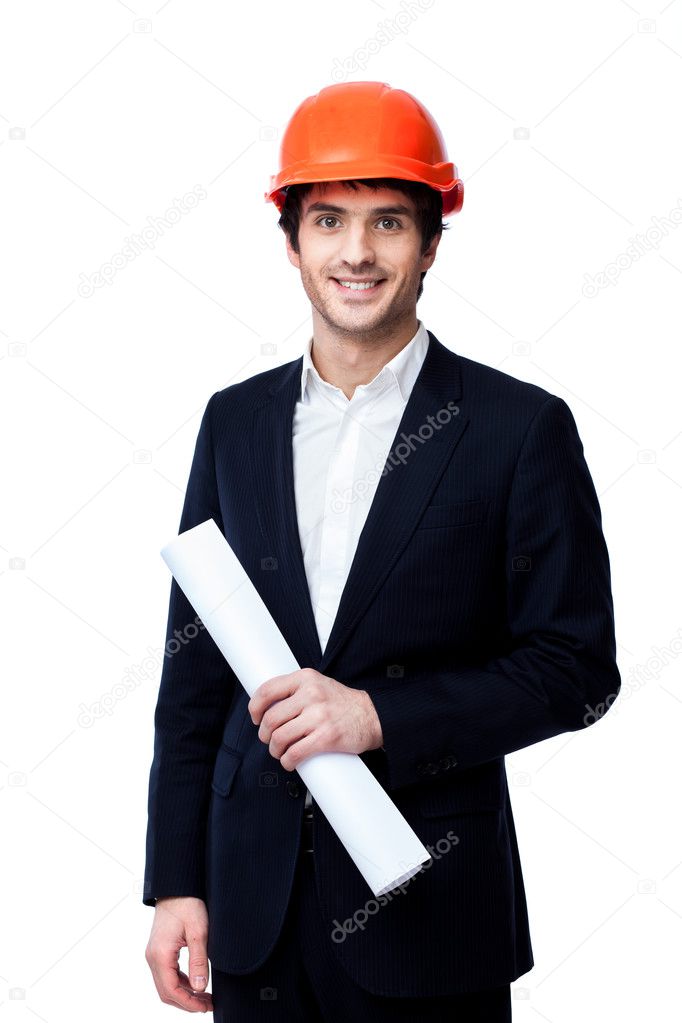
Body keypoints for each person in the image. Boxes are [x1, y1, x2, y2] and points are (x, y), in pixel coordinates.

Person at [143, 81, 620, 1022]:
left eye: (388, 222)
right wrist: (175, 880)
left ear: (431, 243)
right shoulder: (234, 422)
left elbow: (577, 670)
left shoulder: (516, 428)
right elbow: (193, 674)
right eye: (329, 220)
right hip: (252, 905)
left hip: (432, 910)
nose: (356, 252)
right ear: (292, 242)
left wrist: (378, 715)